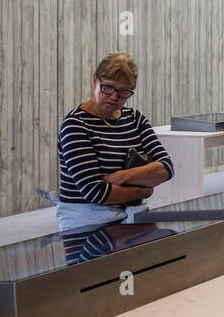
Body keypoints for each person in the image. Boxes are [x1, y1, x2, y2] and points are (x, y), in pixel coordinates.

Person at [56, 53, 174, 231]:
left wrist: (123, 177)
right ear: (95, 80)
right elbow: (95, 192)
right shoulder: (76, 125)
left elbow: (166, 168)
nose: (114, 97)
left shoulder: (135, 119)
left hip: (133, 217)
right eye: (108, 88)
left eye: (123, 92)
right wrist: (144, 191)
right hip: (87, 223)